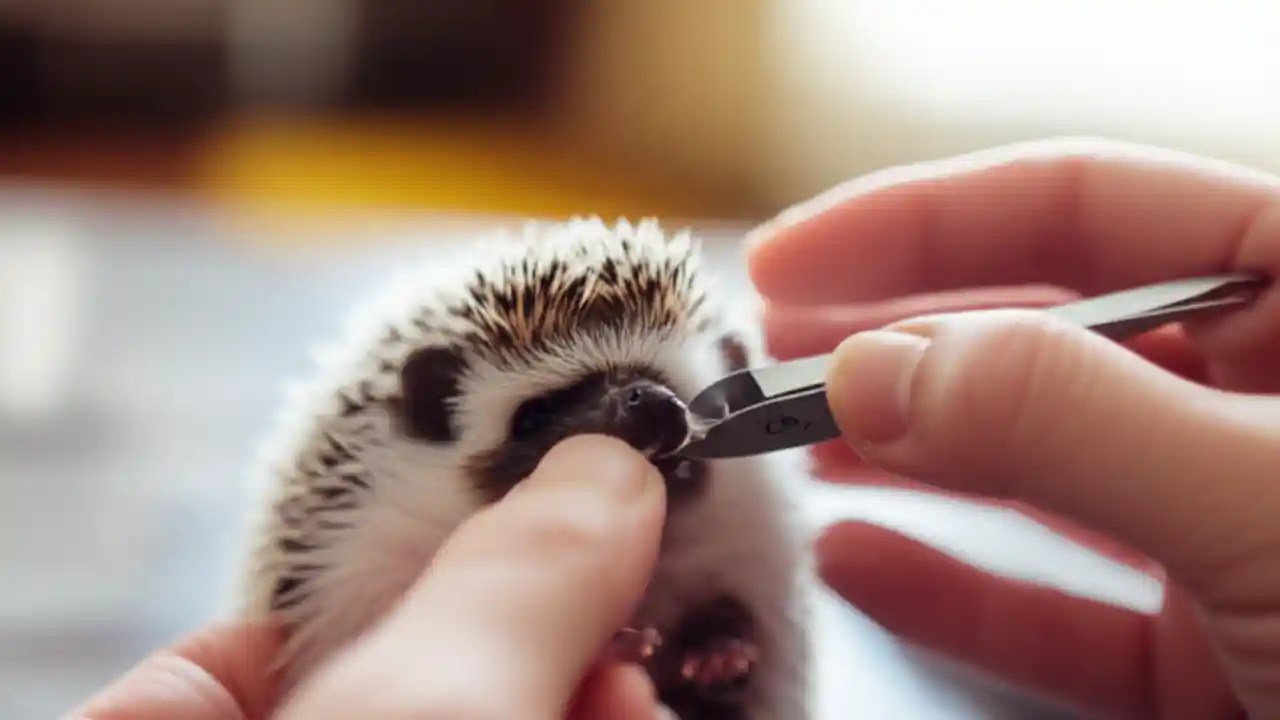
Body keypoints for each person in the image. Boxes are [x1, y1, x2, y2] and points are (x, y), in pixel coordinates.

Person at [70, 138, 1280, 720]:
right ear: (437, 414)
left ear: (734, 380)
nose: (627, 434)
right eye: (551, 418)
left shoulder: (749, 509)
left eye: (652, 394)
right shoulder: (376, 539)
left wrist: (711, 648)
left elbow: (761, 652)